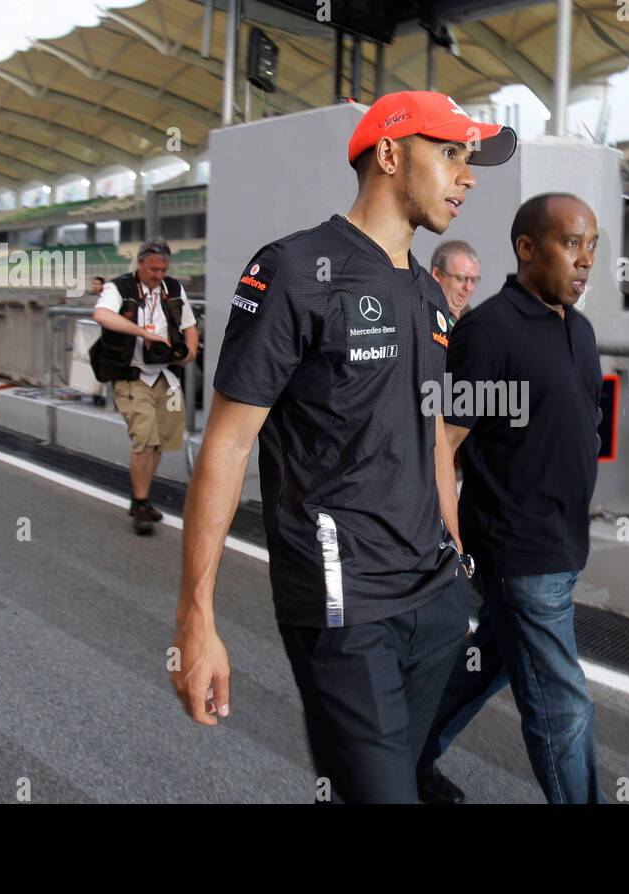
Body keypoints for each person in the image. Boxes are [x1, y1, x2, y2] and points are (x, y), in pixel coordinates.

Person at [170, 91, 517, 804]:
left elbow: (431, 440)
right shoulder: (293, 271)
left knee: (395, 785)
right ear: (390, 154)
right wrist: (196, 618)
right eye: (451, 153)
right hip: (343, 603)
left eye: (469, 159)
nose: (469, 176)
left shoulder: (429, 295)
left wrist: (456, 563)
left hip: (435, 601)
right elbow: (229, 447)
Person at [416, 193, 606, 805]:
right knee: (562, 704)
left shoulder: (580, 330)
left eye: (592, 247)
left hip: (562, 541)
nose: (585, 260)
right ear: (527, 248)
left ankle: (402, 756)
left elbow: (578, 427)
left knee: (485, 665)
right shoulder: (490, 329)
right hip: (518, 549)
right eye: (571, 243)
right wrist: (453, 539)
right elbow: (445, 441)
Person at [92, 239, 198, 533]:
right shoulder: (119, 288)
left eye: (163, 269)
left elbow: (189, 325)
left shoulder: (173, 288)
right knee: (145, 439)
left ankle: (143, 497)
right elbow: (101, 315)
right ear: (139, 263)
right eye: (153, 269)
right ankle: (140, 503)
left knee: (161, 440)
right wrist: (143, 334)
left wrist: (190, 351)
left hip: (166, 375)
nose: (158, 275)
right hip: (132, 374)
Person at [430, 240, 481, 325]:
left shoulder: (475, 323)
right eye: (461, 278)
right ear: (437, 274)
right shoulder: (420, 315)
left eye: (473, 280)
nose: (468, 287)